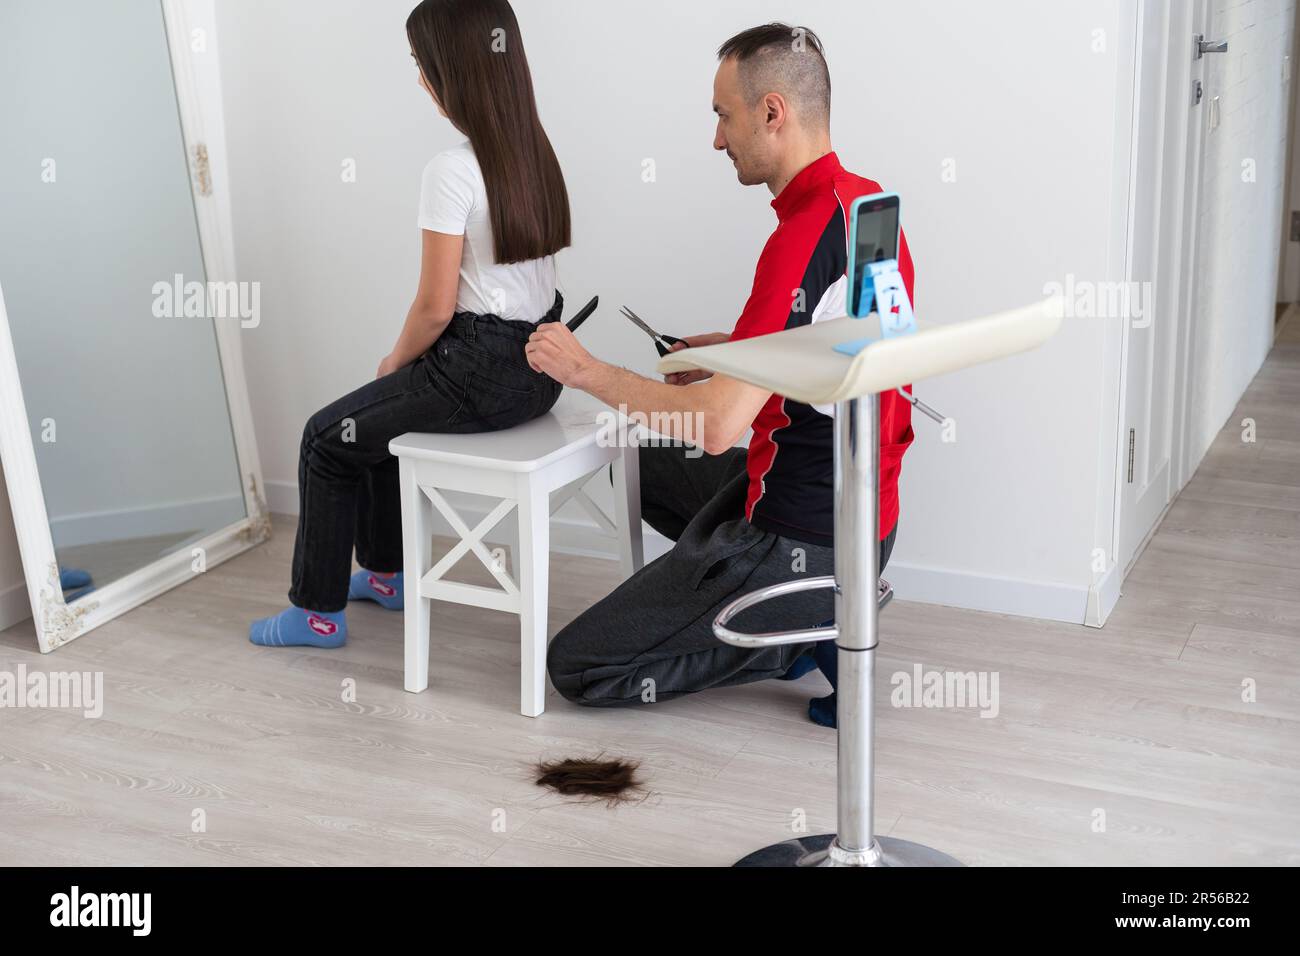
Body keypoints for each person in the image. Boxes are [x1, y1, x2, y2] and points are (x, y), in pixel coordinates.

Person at [526, 23, 915, 727]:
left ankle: (787, 636)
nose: (715, 139)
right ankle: (808, 618)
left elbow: (713, 427)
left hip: (799, 540)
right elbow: (840, 348)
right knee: (640, 462)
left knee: (577, 666)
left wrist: (586, 371)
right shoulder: (862, 204)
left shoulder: (797, 241)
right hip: (863, 523)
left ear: (773, 111)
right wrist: (734, 351)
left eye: (722, 116)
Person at [251, 0, 570, 648]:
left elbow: (435, 307)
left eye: (422, 65)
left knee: (325, 438)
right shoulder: (533, 151)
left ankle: (317, 612)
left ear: (452, 73)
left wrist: (394, 361)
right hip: (540, 367)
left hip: (478, 368)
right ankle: (387, 575)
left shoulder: (452, 169)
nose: (420, 80)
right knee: (374, 423)